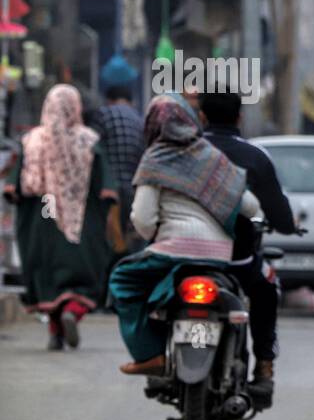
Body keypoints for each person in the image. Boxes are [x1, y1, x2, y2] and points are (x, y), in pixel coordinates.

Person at [109, 94, 261, 375]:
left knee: (122, 281)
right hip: (217, 256)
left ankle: (150, 353)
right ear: (191, 120)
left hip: (171, 252)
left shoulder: (154, 159)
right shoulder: (212, 157)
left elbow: (143, 219)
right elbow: (250, 206)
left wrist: (154, 234)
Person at [2, 85, 118, 350]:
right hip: (82, 216)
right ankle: (73, 313)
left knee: (47, 275)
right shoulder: (88, 141)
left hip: (44, 210)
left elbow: (15, 188)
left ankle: (55, 332)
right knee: (84, 271)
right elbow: (107, 187)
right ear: (75, 107)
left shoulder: (31, 140)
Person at [201, 92, 296, 402]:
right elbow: (280, 214)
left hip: (185, 257)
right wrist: (287, 226)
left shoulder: (185, 153)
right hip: (238, 260)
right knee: (267, 287)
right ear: (239, 117)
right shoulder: (255, 157)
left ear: (201, 116)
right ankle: (264, 366)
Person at [92, 85, 145, 249]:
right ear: (131, 101)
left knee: (106, 242)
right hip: (131, 191)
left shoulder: (103, 114)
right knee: (124, 240)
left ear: (109, 100)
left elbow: (92, 147)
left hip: (107, 192)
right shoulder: (140, 120)